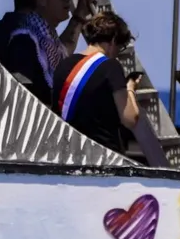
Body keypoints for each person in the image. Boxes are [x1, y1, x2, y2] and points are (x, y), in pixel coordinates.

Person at [0, 0, 91, 104]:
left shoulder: (38, 35)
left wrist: (79, 15)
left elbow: (63, 48)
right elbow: (22, 91)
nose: (68, 0)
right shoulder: (23, 36)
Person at [52, 11, 141, 154]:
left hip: (66, 152)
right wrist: (130, 88)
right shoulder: (111, 67)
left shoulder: (64, 64)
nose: (118, 52)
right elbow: (129, 119)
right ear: (113, 40)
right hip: (102, 156)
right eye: (120, 47)